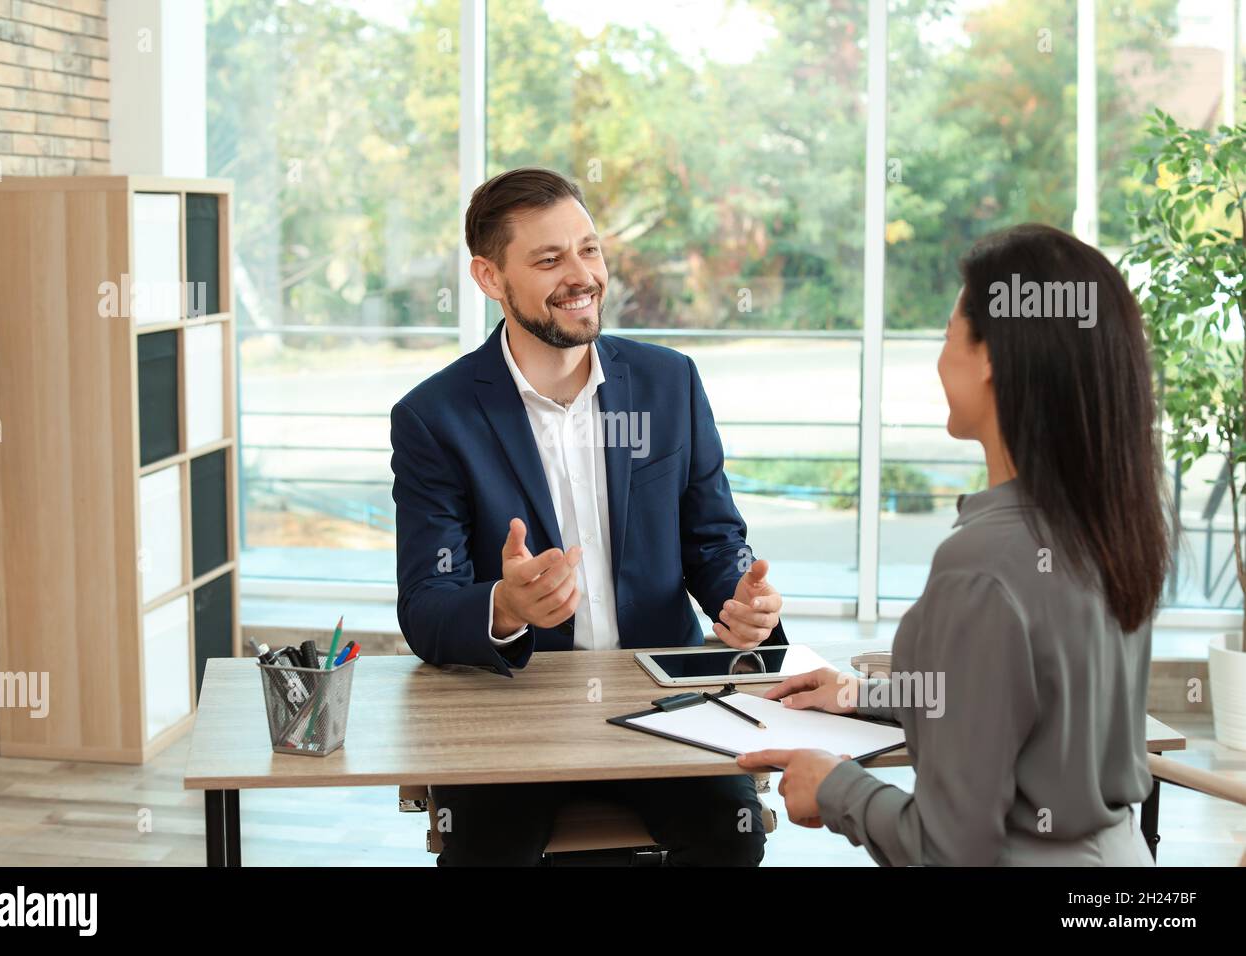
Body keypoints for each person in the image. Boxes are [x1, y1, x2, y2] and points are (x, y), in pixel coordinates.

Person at [391, 166, 787, 865]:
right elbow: (426, 607)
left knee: (734, 840)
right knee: (482, 851)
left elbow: (714, 542)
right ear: (489, 277)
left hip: (662, 705)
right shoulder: (435, 418)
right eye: (549, 260)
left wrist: (742, 603)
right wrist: (506, 607)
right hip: (513, 712)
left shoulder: (668, 383)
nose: (581, 276)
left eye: (589, 249)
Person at [740, 223, 1169, 866]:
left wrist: (836, 788)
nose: (939, 359)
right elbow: (1017, 699)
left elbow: (950, 850)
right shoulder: (1108, 524)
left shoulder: (982, 565)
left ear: (991, 356)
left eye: (948, 335)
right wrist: (861, 695)